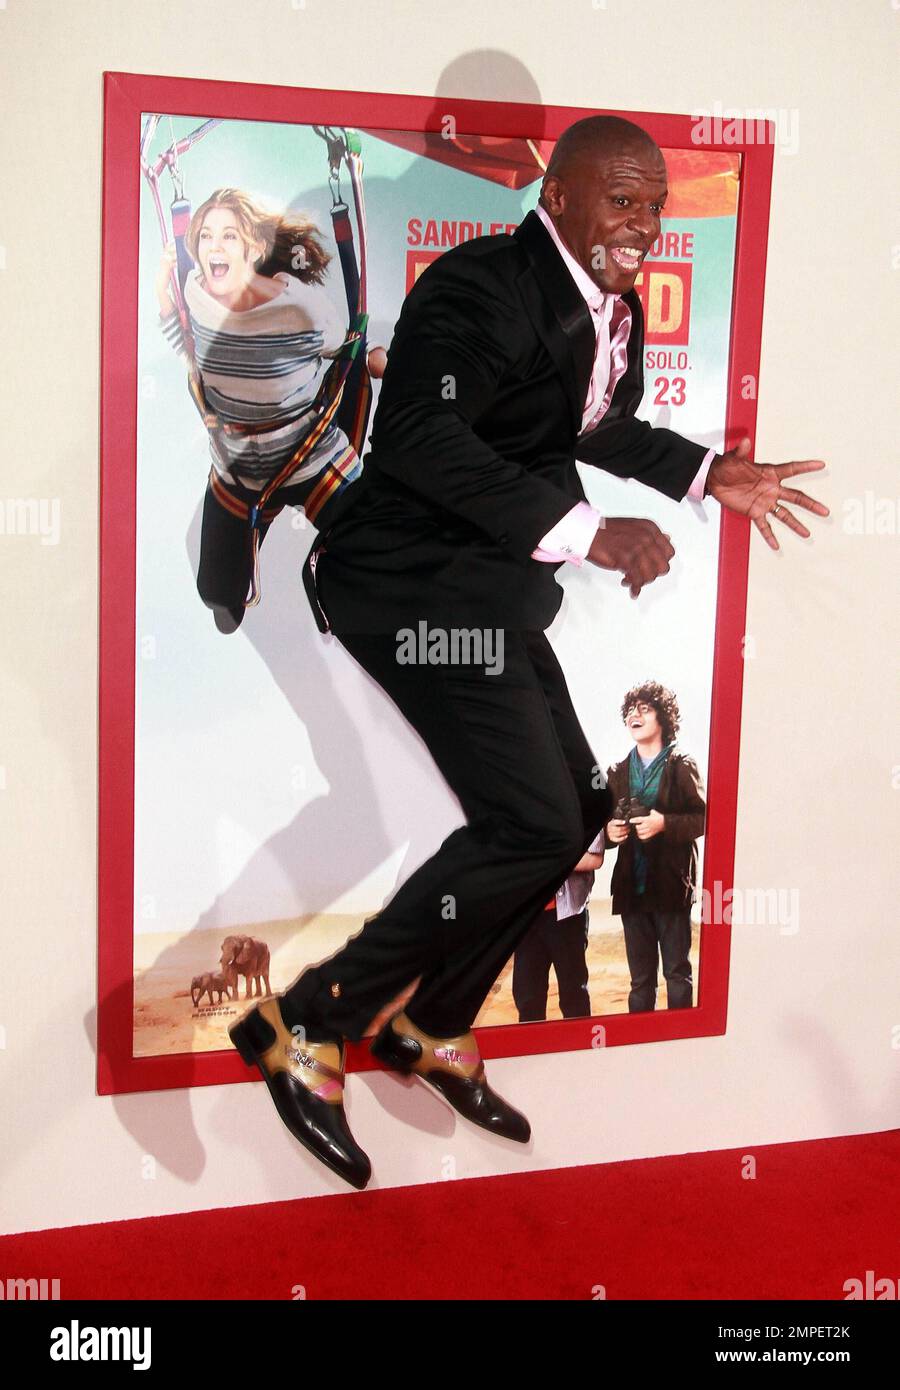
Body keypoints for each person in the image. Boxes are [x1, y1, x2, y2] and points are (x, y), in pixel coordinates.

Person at [228, 114, 828, 1190]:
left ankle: (433, 1027)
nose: (642, 222)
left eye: (653, 203)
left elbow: (591, 422)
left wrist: (705, 475)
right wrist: (590, 532)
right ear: (558, 198)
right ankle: (305, 1026)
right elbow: (418, 434)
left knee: (578, 810)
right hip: (405, 583)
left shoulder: (613, 305)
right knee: (533, 819)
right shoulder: (477, 286)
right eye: (621, 200)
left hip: (489, 592)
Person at [157, 187, 384, 632]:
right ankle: (250, 532)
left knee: (375, 556)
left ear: (254, 248)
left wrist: (371, 357)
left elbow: (344, 349)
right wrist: (163, 294)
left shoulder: (300, 307)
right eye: (204, 237)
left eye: (228, 236)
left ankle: (329, 573)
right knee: (218, 599)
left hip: (309, 455)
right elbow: (188, 343)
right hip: (238, 467)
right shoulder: (195, 294)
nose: (213, 248)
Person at [604, 682, 706, 1011]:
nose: (635, 714)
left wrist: (664, 824)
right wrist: (609, 832)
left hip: (671, 886)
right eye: (631, 709)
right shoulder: (617, 772)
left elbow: (704, 819)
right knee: (640, 981)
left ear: (663, 716)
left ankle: (681, 1047)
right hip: (632, 889)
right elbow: (599, 829)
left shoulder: (681, 765)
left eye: (645, 708)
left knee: (677, 974)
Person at [512, 832, 605, 1022]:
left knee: (574, 997)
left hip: (567, 915)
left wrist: (547, 858)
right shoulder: (519, 806)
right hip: (526, 916)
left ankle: (579, 1050)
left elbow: (595, 858)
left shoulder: (582, 804)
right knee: (528, 1000)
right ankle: (533, 1050)